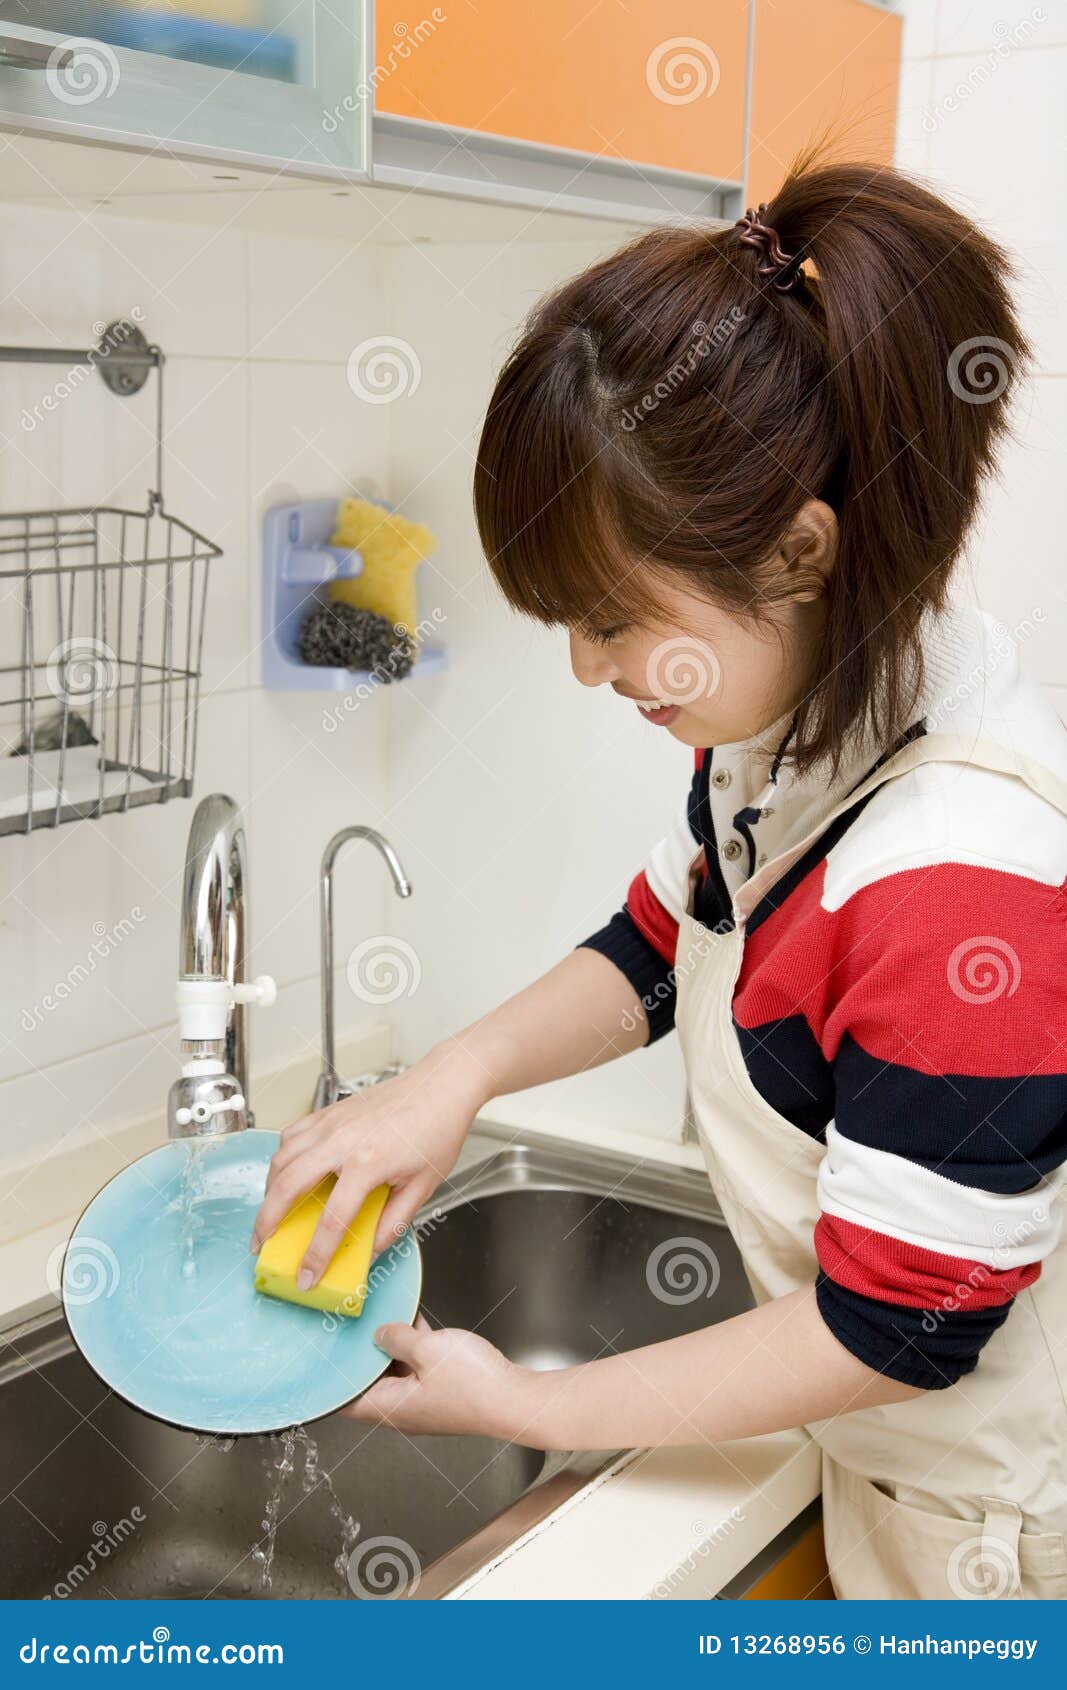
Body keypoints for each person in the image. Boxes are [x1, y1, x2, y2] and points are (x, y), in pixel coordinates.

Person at [251, 156, 1067, 1600]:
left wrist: (535, 1404)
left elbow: (896, 1326)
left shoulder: (961, 881)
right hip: (891, 1484)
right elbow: (661, 935)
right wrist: (452, 1077)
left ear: (802, 550)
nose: (587, 666)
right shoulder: (807, 718)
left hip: (998, 1547)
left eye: (615, 618)